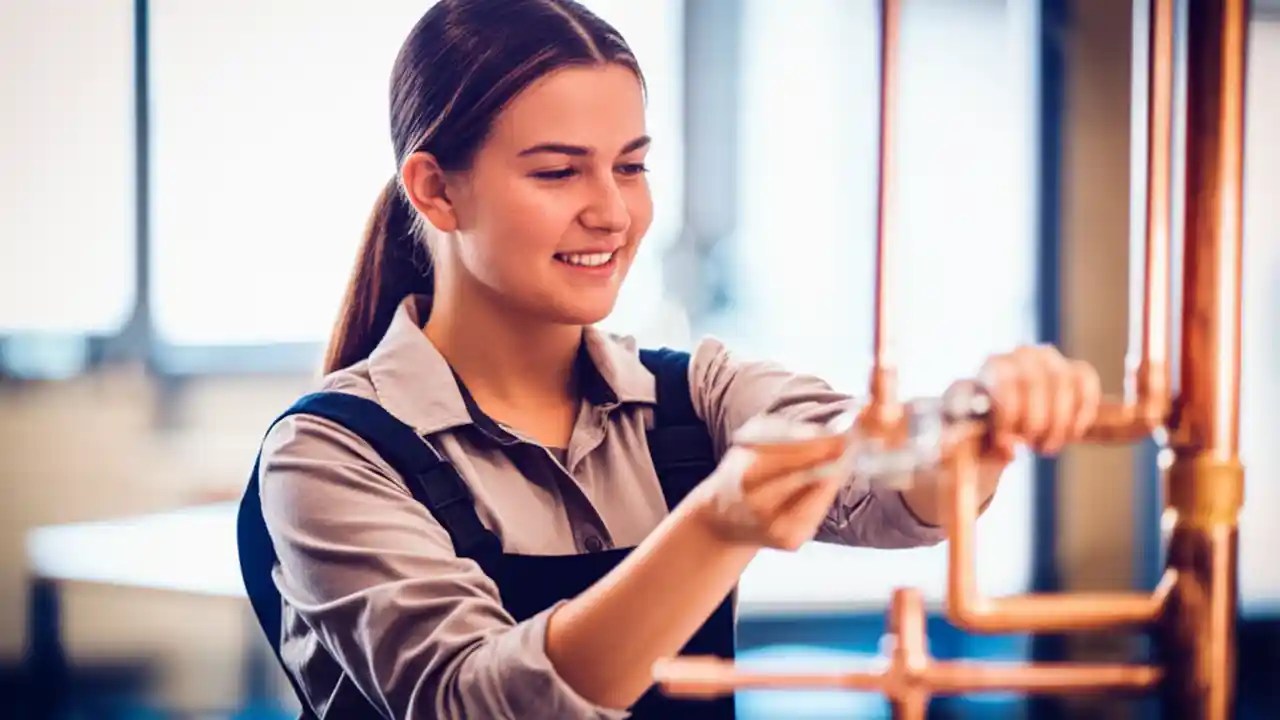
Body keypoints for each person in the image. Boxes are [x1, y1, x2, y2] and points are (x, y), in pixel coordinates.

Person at [241, 1, 1103, 718]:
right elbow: (474, 701)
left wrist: (976, 422)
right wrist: (712, 528)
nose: (613, 213)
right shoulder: (329, 456)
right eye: (558, 173)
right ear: (435, 189)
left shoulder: (697, 394)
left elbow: (876, 474)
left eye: (631, 166)